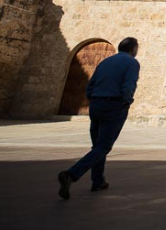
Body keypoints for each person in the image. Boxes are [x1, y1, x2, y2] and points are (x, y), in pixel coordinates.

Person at [57, 37, 140, 200]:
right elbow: (129, 85)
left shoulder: (105, 62)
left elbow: (91, 84)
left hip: (96, 105)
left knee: (98, 146)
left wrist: (92, 99)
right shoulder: (132, 63)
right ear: (133, 49)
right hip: (114, 106)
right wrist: (126, 101)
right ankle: (71, 175)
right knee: (103, 147)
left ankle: (98, 181)